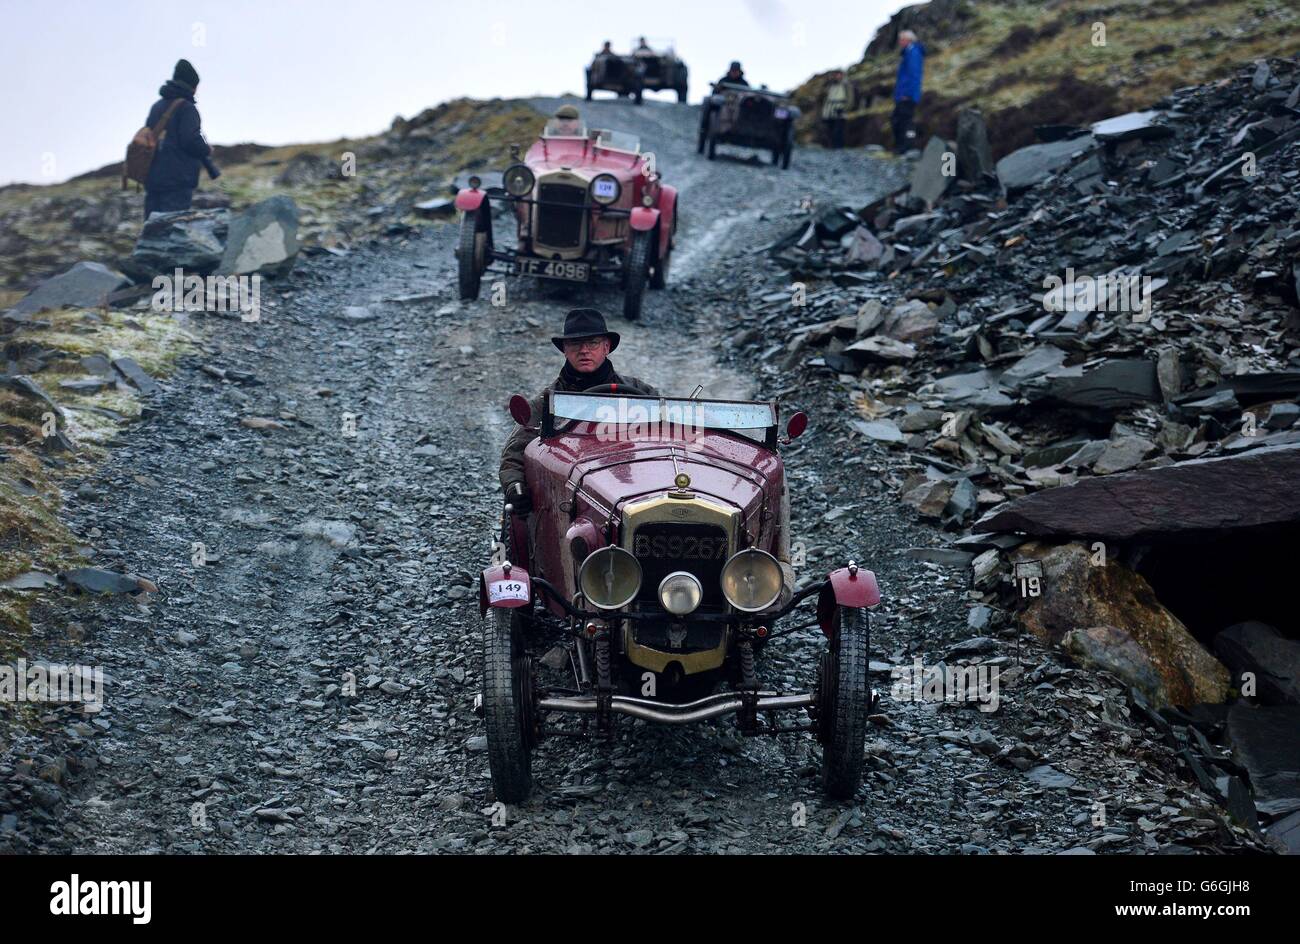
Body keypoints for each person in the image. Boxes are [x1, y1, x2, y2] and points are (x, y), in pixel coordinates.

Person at [499, 308, 658, 514]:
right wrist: (515, 487)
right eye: (575, 344)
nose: (584, 350)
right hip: (569, 503)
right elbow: (515, 451)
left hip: (635, 486)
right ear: (564, 349)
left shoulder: (641, 393)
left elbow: (669, 440)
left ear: (606, 347)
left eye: (592, 343)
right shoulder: (548, 402)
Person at [142, 59, 216, 219]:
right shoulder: (187, 108)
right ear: (191, 85)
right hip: (177, 180)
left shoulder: (157, 107)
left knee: (151, 230)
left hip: (153, 178)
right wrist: (206, 149)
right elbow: (190, 140)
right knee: (172, 227)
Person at [892, 30, 925, 154]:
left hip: (907, 95)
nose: (900, 42)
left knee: (905, 121)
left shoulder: (913, 53)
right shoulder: (908, 53)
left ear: (908, 40)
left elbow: (914, 75)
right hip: (903, 95)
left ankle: (907, 146)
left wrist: (908, 94)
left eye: (901, 39)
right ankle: (903, 146)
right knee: (901, 120)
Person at [821, 70, 852, 149]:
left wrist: (844, 109)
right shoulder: (830, 86)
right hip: (829, 111)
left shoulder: (846, 85)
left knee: (839, 129)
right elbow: (825, 99)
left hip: (840, 109)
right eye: (835, 75)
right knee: (829, 128)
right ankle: (831, 145)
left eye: (838, 75)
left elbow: (850, 99)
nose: (836, 76)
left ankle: (839, 146)